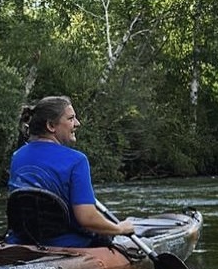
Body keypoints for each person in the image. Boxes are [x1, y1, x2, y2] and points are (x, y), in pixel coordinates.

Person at [7, 95, 136, 246]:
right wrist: (119, 228)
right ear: (51, 126)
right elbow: (87, 219)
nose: (77, 123)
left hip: (22, 241)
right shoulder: (77, 160)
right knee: (105, 237)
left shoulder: (18, 156)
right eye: (71, 119)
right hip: (67, 243)